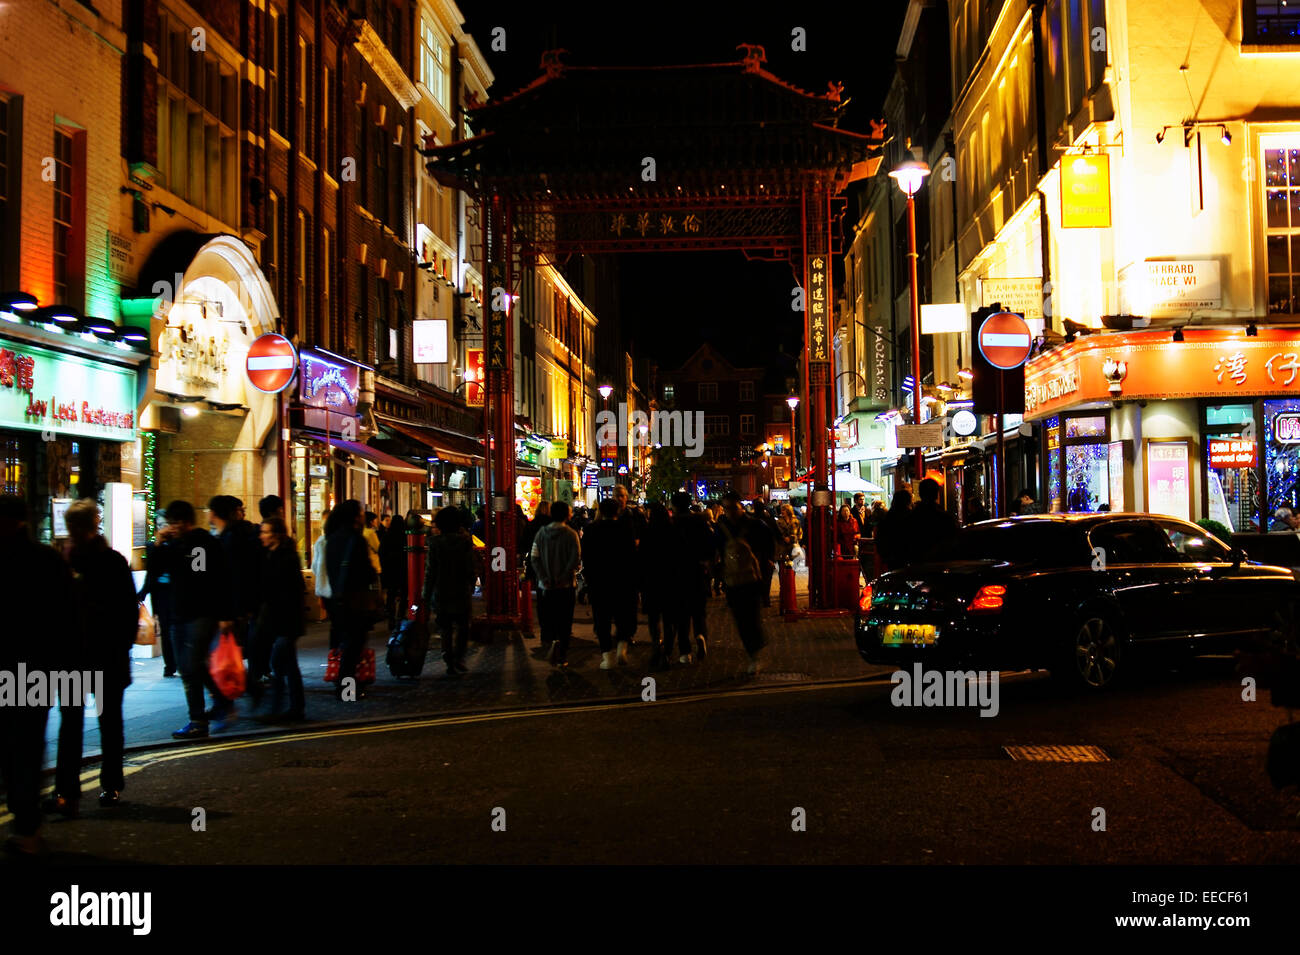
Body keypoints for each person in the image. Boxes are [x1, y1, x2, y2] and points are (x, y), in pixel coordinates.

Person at [41, 500, 136, 818]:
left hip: (85, 657)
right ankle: (102, 787)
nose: (73, 532)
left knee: (79, 724)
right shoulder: (101, 561)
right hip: (92, 656)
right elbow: (127, 611)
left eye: (74, 526)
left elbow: (125, 611)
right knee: (101, 723)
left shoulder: (74, 562)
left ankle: (75, 791)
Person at [0, 495, 75, 855]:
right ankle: (27, 827)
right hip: (35, 672)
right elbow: (66, 617)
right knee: (26, 749)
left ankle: (25, 824)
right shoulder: (46, 560)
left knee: (18, 749)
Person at [162, 499, 236, 738]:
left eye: (175, 523)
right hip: (179, 615)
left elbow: (202, 577)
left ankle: (198, 720)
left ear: (186, 522)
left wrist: (224, 615)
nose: (171, 527)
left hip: (200, 614)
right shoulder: (175, 544)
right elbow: (158, 571)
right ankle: (222, 702)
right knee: (192, 666)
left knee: (189, 666)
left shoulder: (200, 545)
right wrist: (159, 545)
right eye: (169, 523)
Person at [209, 495, 265, 702]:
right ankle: (245, 690)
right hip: (237, 607)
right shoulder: (233, 536)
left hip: (232, 608)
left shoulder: (231, 540)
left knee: (220, 655)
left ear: (215, 513)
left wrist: (229, 612)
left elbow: (232, 578)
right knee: (228, 654)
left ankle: (229, 699)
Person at [325, 499, 377, 698]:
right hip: (355, 600)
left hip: (337, 599)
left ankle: (346, 685)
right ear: (356, 516)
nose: (364, 515)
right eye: (362, 512)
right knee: (353, 647)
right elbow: (365, 572)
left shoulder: (332, 538)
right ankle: (347, 689)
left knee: (346, 644)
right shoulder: (356, 539)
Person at [256, 517, 305, 721]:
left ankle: (282, 708)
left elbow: (291, 590)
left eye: (266, 532)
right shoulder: (270, 554)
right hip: (279, 619)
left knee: (280, 663)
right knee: (286, 664)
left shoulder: (286, 557)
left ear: (276, 534)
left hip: (287, 619)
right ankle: (292, 707)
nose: (262, 536)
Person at [581, 497, 639, 668]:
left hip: (599, 581)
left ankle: (607, 656)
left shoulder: (591, 530)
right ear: (618, 511)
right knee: (624, 615)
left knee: (602, 618)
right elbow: (632, 557)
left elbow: (586, 557)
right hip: (623, 580)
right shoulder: (625, 529)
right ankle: (622, 645)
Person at [717, 491, 768, 673]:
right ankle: (753, 649)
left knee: (751, 616)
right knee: (740, 619)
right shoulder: (722, 528)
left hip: (751, 580)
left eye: (733, 508)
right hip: (733, 581)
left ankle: (755, 651)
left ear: (741, 507)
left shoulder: (754, 525)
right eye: (726, 508)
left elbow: (767, 547)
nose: (730, 512)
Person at [423, 506, 476, 675]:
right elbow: (470, 567)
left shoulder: (434, 543)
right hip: (461, 589)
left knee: (445, 627)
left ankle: (448, 658)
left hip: (441, 590)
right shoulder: (465, 543)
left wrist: (426, 593)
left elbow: (430, 571)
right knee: (463, 625)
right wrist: (471, 583)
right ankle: (459, 656)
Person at [530, 501, 581, 667]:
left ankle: (552, 643)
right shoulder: (571, 535)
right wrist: (562, 576)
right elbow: (575, 559)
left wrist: (544, 577)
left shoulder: (541, 534)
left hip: (546, 586)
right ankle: (562, 654)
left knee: (549, 617)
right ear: (567, 515)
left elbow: (534, 558)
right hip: (566, 585)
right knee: (565, 620)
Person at [670, 491, 716, 663]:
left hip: (677, 572)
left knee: (681, 615)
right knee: (698, 611)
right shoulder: (700, 521)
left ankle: (684, 653)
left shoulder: (672, 523)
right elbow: (710, 544)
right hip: (697, 570)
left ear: (674, 505)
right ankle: (700, 635)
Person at [138, 514, 179, 678]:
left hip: (176, 591)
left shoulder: (178, 544)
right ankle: (169, 665)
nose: (164, 528)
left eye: (166, 524)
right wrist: (157, 544)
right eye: (160, 524)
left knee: (175, 628)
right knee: (166, 628)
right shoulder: (152, 546)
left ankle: (178, 661)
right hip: (161, 593)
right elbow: (152, 570)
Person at [639, 502, 676, 669]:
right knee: (669, 619)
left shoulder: (647, 532)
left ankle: (656, 645)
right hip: (669, 580)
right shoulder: (672, 531)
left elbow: (641, 558)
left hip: (651, 580)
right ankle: (667, 651)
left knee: (654, 618)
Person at [906, 478, 961, 565]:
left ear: (920, 494)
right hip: (941, 564)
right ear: (936, 494)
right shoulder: (945, 517)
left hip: (918, 565)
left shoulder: (912, 517)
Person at [380, 512, 409, 630]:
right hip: (403, 569)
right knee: (403, 594)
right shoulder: (405, 536)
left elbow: (381, 552)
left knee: (391, 594)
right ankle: (400, 616)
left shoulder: (387, 536)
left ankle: (391, 618)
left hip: (390, 569)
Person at [751, 501, 781, 607]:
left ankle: (757, 598)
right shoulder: (770, 520)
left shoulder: (750, 521)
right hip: (767, 553)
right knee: (767, 577)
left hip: (754, 553)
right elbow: (777, 536)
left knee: (755, 576)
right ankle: (766, 598)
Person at [876, 490, 913, 572]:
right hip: (909, 558)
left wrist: (885, 556)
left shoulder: (888, 517)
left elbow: (880, 539)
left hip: (892, 558)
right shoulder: (912, 517)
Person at [363, 511, 384, 577]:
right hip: (373, 564)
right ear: (371, 521)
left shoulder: (361, 531)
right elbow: (378, 548)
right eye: (375, 520)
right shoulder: (371, 533)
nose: (376, 522)